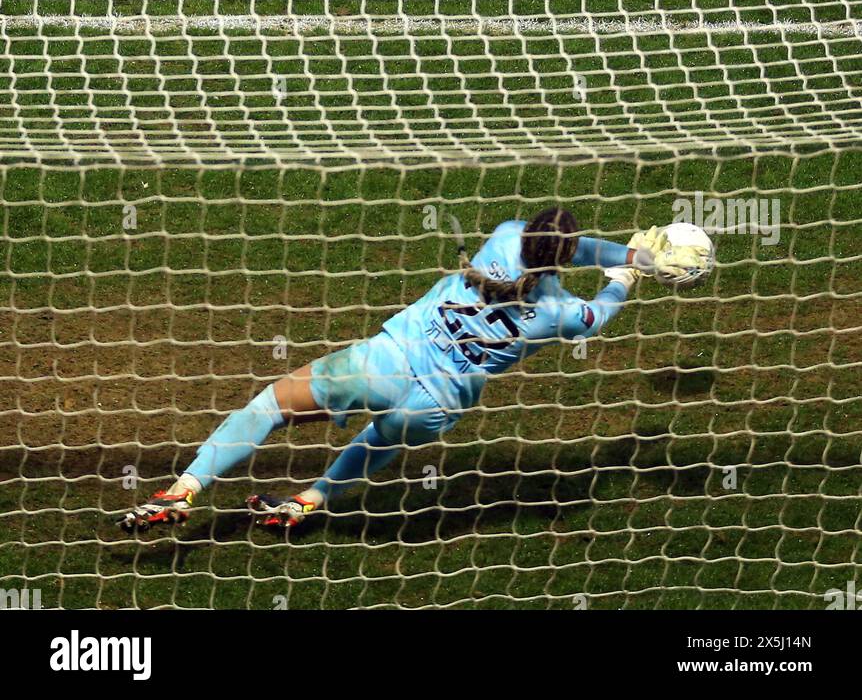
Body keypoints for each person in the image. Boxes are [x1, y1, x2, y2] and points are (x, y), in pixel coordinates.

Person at [120, 209, 685, 535]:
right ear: (561, 258)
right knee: (377, 438)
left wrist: (622, 257)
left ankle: (182, 490)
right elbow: (596, 301)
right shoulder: (560, 315)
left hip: (385, 364)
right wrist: (632, 269)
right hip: (437, 406)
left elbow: (567, 246)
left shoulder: (507, 237)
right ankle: (312, 499)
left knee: (271, 405)